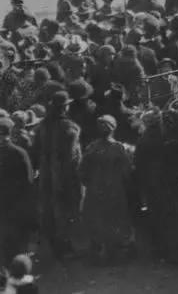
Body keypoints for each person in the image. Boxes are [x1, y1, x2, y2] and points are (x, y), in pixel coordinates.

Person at [79, 114, 135, 262]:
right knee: (115, 218)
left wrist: (89, 183)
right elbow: (127, 171)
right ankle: (114, 250)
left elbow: (82, 170)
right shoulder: (119, 148)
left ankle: (99, 250)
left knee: (97, 218)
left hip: (95, 188)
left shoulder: (91, 148)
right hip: (114, 188)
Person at [35, 90, 83, 260]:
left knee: (49, 208)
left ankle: (55, 245)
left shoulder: (42, 126)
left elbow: (36, 149)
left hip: (46, 173)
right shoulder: (70, 128)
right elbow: (73, 156)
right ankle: (66, 247)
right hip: (64, 175)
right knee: (66, 208)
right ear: (65, 107)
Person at [0, 117, 34, 263]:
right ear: (11, 131)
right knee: (15, 238)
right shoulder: (19, 153)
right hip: (15, 202)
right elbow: (28, 180)